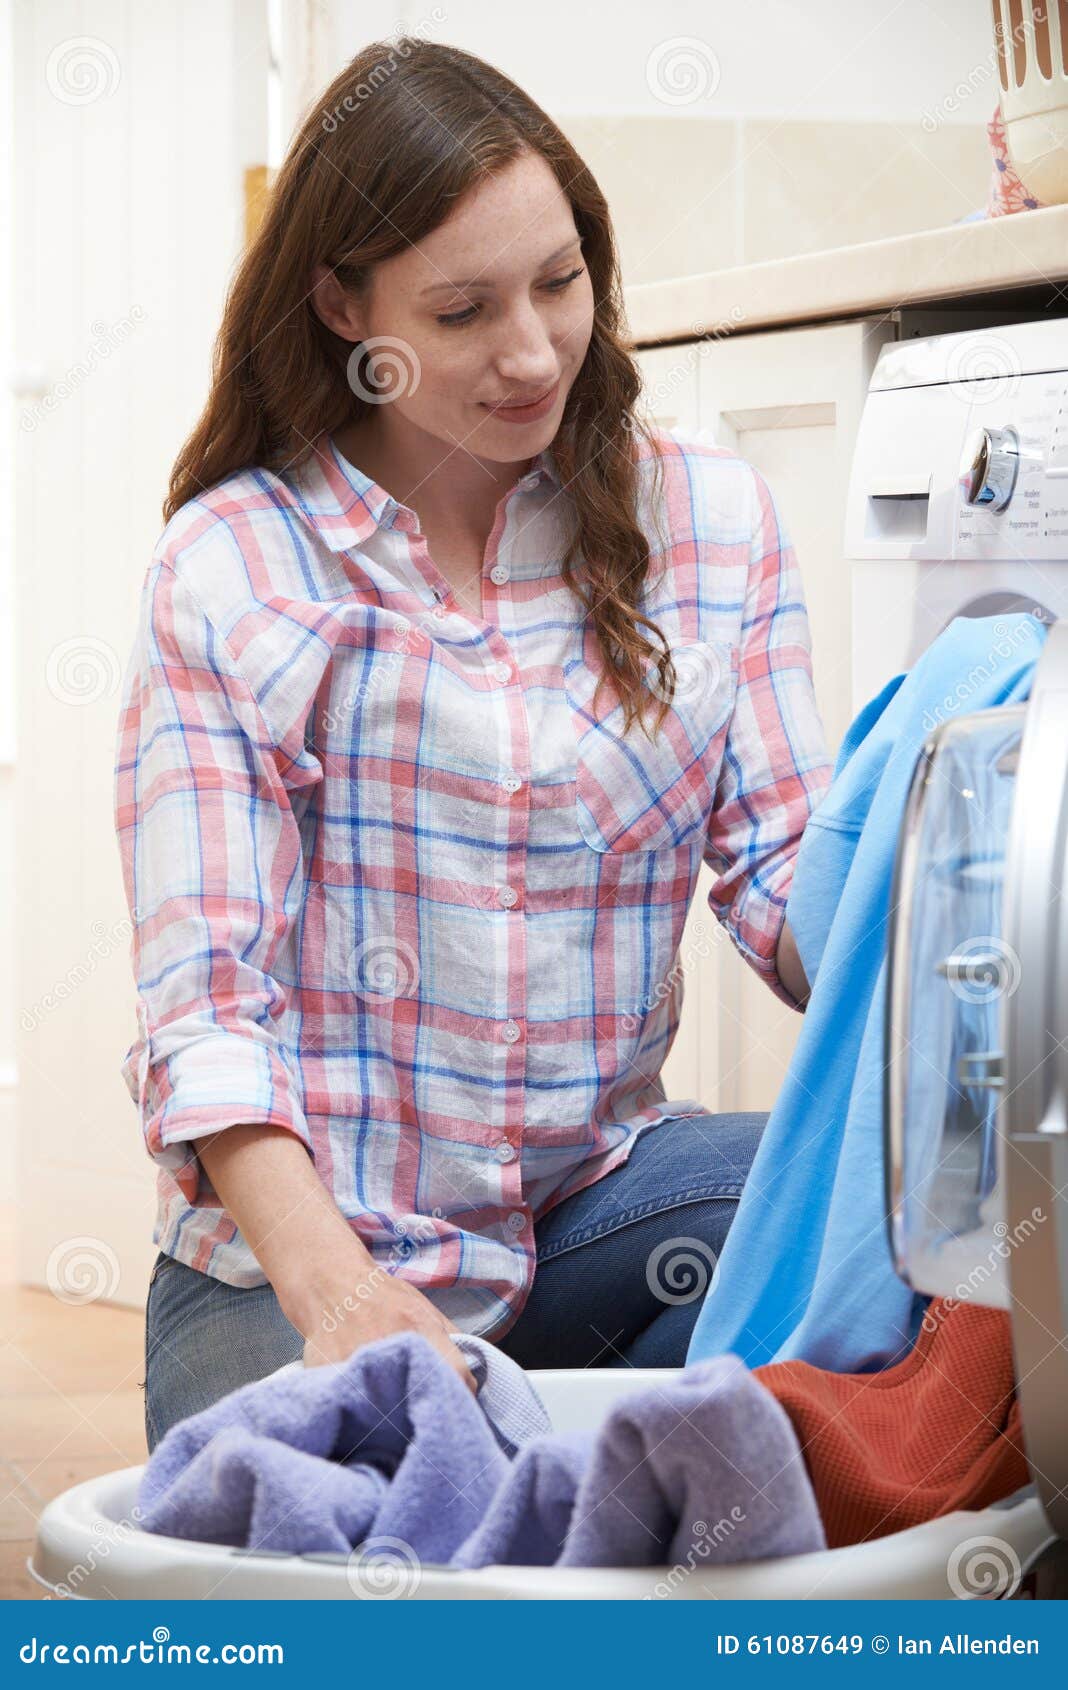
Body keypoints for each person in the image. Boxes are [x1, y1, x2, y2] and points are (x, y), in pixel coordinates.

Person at [114, 37, 832, 1454]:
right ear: (343, 307)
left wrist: (967, 923)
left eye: (560, 282)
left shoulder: (711, 522)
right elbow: (206, 1014)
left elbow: (787, 880)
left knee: (876, 1245)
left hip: (593, 1215)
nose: (533, 352)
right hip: (297, 1252)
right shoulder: (234, 567)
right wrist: (345, 1300)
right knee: (330, 1497)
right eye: (462, 310)